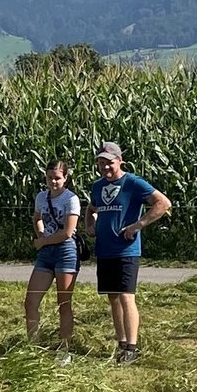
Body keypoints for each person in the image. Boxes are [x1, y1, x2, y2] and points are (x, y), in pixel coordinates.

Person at [87, 142, 172, 363]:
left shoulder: (132, 183)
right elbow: (92, 208)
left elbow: (163, 203)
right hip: (104, 249)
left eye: (109, 162)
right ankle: (122, 343)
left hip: (126, 250)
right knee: (113, 297)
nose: (105, 167)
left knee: (126, 296)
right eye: (101, 163)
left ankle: (132, 348)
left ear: (120, 161)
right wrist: (90, 225)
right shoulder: (98, 186)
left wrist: (137, 225)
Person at [26, 160, 81, 362]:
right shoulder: (41, 197)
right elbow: (37, 217)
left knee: (63, 302)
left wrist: (43, 241)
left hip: (65, 251)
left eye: (57, 178)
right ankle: (33, 345)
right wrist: (41, 234)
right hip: (46, 252)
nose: (53, 182)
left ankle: (64, 349)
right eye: (50, 178)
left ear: (65, 178)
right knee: (31, 301)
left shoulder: (71, 199)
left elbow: (67, 232)